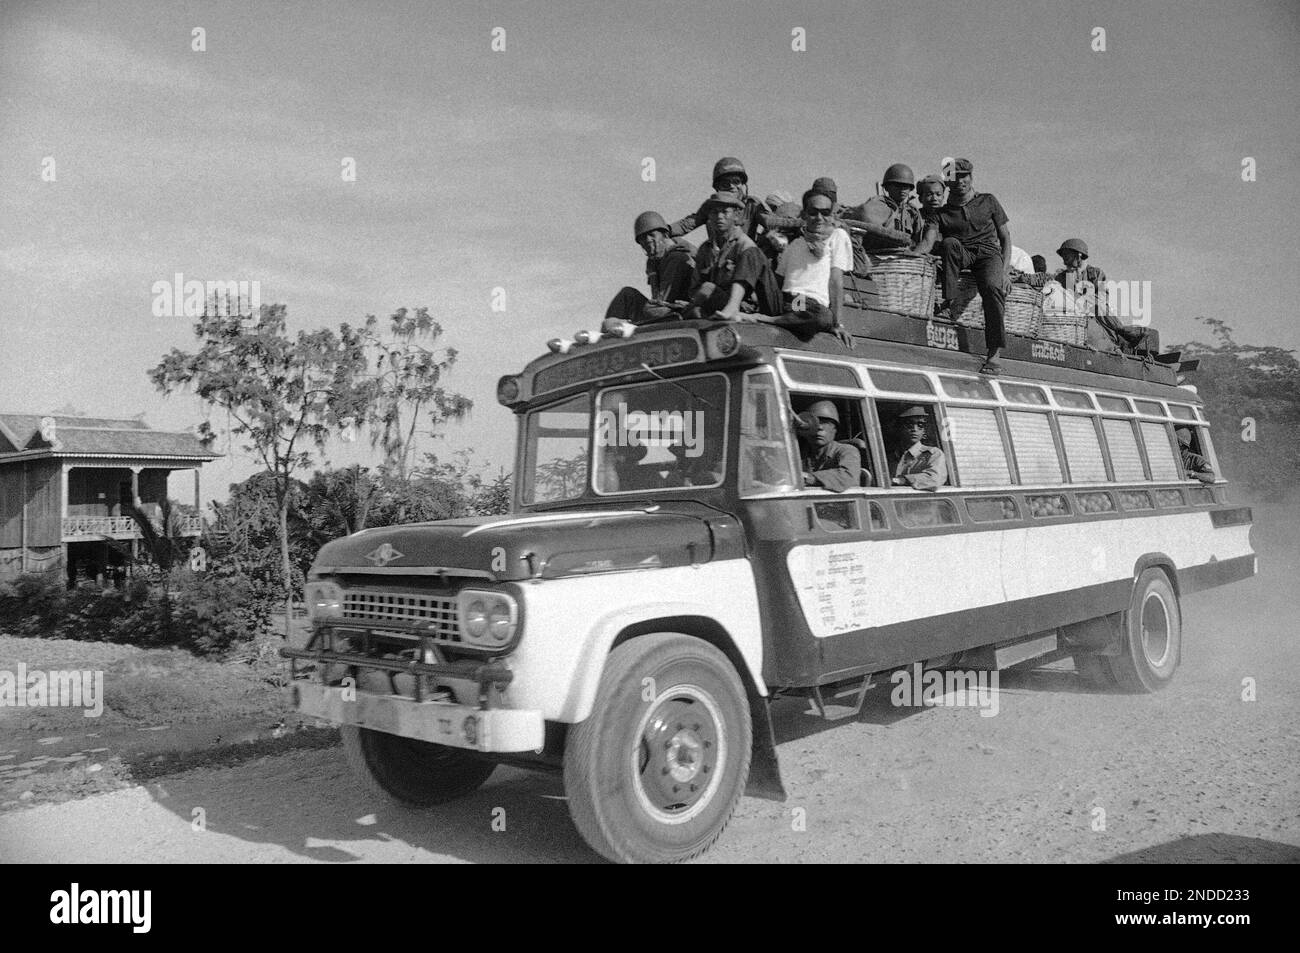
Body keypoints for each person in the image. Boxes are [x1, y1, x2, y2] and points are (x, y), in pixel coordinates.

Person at [924, 158, 1012, 375]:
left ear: (971, 178)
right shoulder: (941, 213)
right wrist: (912, 254)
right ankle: (950, 302)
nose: (961, 182)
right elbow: (928, 241)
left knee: (992, 289)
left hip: (988, 254)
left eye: (964, 176)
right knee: (949, 243)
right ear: (948, 183)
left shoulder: (988, 201)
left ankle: (993, 354)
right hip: (962, 253)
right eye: (955, 178)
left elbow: (1005, 237)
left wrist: (1004, 271)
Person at [771, 189, 854, 341]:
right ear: (804, 215)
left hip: (814, 307)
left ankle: (787, 320)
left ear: (832, 215)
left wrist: (838, 324)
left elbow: (835, 281)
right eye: (813, 212)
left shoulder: (837, 236)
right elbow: (779, 281)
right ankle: (767, 319)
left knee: (823, 317)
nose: (819, 218)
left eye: (825, 213)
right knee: (822, 318)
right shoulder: (796, 244)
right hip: (796, 301)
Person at [685, 192, 783, 321]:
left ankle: (732, 308)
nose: (719, 217)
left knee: (708, 288)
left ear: (736, 216)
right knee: (697, 308)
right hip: (723, 304)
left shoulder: (745, 245)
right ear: (709, 216)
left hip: (759, 306)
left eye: (725, 212)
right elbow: (695, 288)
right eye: (714, 212)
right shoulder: (705, 249)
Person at [667, 156, 801, 244]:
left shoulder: (751, 204)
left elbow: (770, 221)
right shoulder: (711, 207)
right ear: (718, 187)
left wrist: (801, 223)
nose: (731, 186)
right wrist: (661, 230)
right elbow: (687, 224)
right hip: (717, 261)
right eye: (726, 183)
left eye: (736, 181)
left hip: (744, 259)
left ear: (742, 184)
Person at [603, 211, 696, 331]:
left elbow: (663, 300)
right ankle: (607, 337)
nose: (647, 240)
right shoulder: (653, 262)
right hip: (663, 310)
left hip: (681, 313)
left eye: (652, 235)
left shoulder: (677, 258)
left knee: (650, 309)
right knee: (627, 295)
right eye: (643, 238)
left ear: (665, 235)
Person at [793, 400, 862, 492]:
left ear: (835, 430)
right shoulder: (800, 454)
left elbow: (848, 476)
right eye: (814, 423)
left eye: (826, 423)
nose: (819, 427)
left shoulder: (847, 451)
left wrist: (810, 478)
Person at [889, 406, 947, 491]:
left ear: (924, 432)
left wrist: (902, 480)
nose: (914, 429)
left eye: (920, 425)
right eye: (909, 425)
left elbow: (935, 479)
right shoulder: (891, 455)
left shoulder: (932, 454)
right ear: (900, 428)